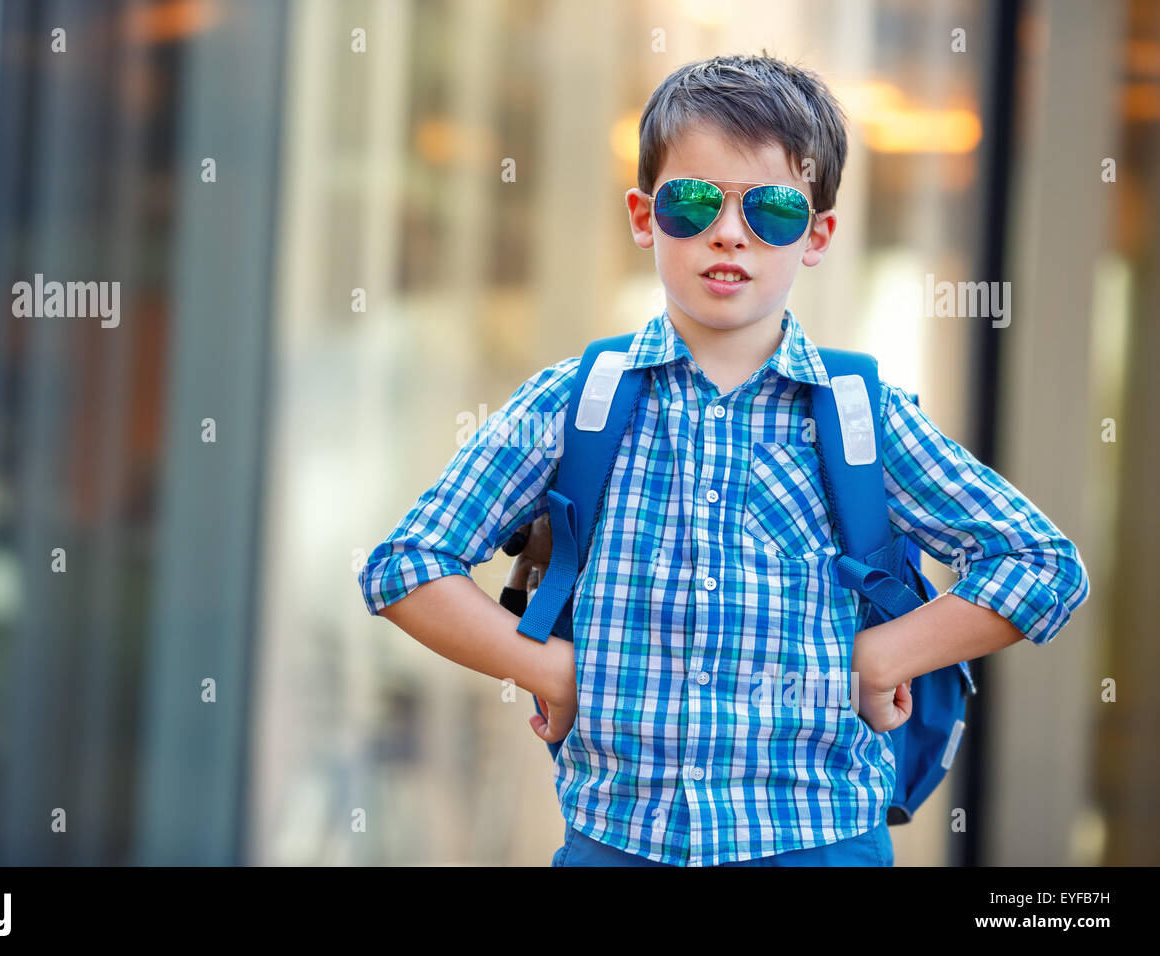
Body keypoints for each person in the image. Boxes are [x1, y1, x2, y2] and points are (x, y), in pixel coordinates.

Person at [357, 53, 1090, 867]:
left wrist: (888, 652)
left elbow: (1042, 563)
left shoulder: (861, 418)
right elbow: (404, 567)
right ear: (643, 216)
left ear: (817, 234)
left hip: (818, 842)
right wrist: (551, 670)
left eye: (773, 210)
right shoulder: (574, 403)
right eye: (693, 201)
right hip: (617, 842)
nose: (729, 231)